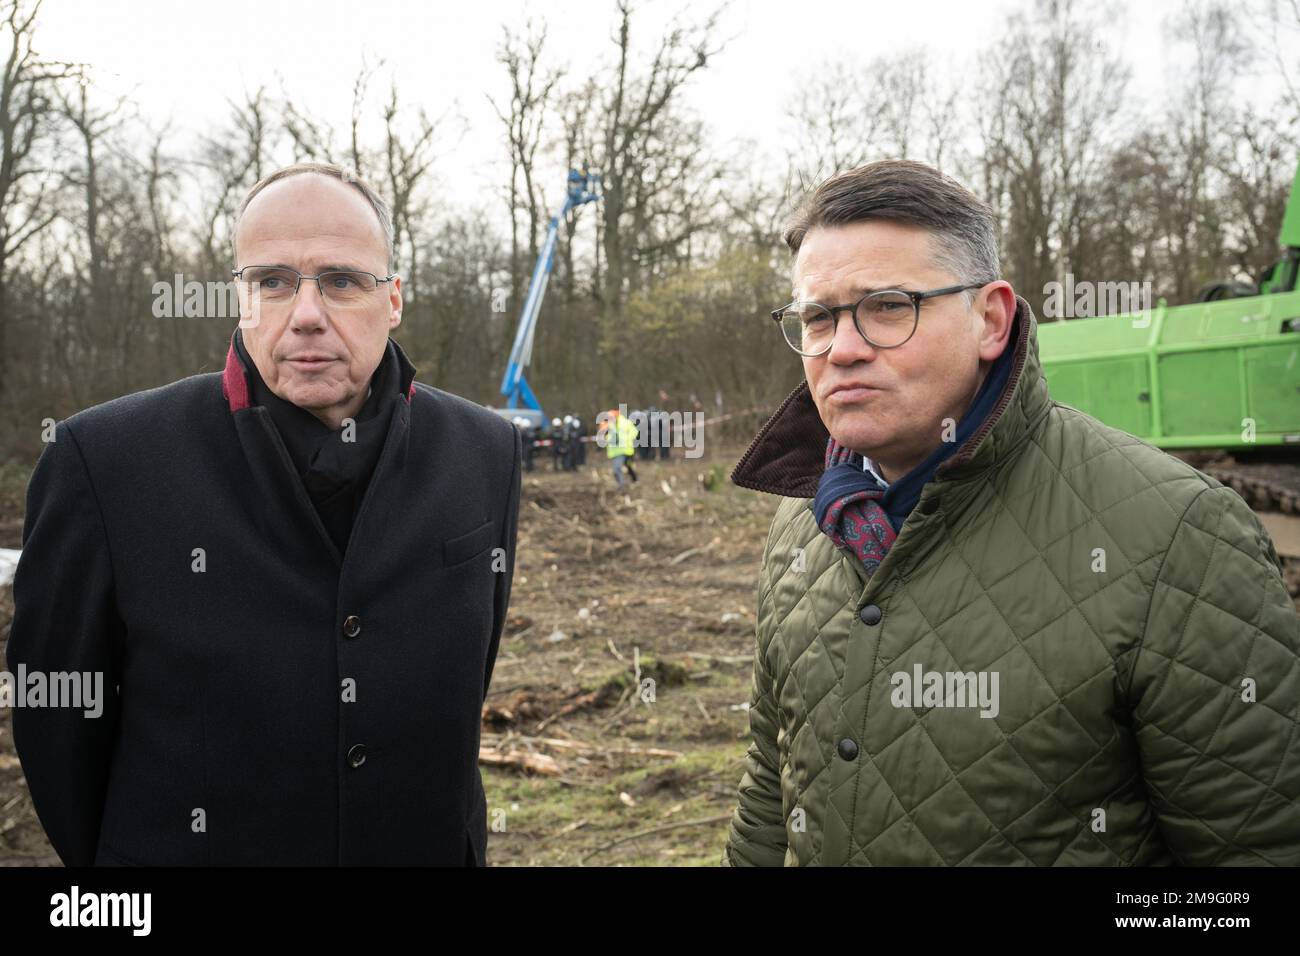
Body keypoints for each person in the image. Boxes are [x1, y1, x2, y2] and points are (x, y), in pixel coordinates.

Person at [723, 158, 1300, 866]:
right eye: (818, 317)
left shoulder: (1180, 536)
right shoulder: (804, 521)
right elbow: (769, 798)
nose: (841, 350)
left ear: (990, 319)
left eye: (888, 307)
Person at [7, 162, 521, 866]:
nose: (306, 313)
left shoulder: (485, 452)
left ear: (393, 300)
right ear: (238, 299)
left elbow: (468, 683)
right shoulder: (105, 462)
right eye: (272, 282)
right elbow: (59, 722)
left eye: (342, 281)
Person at [602, 407, 638, 490]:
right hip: (615, 452)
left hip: (625, 450)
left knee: (621, 467)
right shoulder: (608, 425)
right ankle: (624, 483)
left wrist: (627, 439)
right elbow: (606, 436)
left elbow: (634, 432)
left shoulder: (626, 423)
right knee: (619, 468)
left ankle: (624, 484)